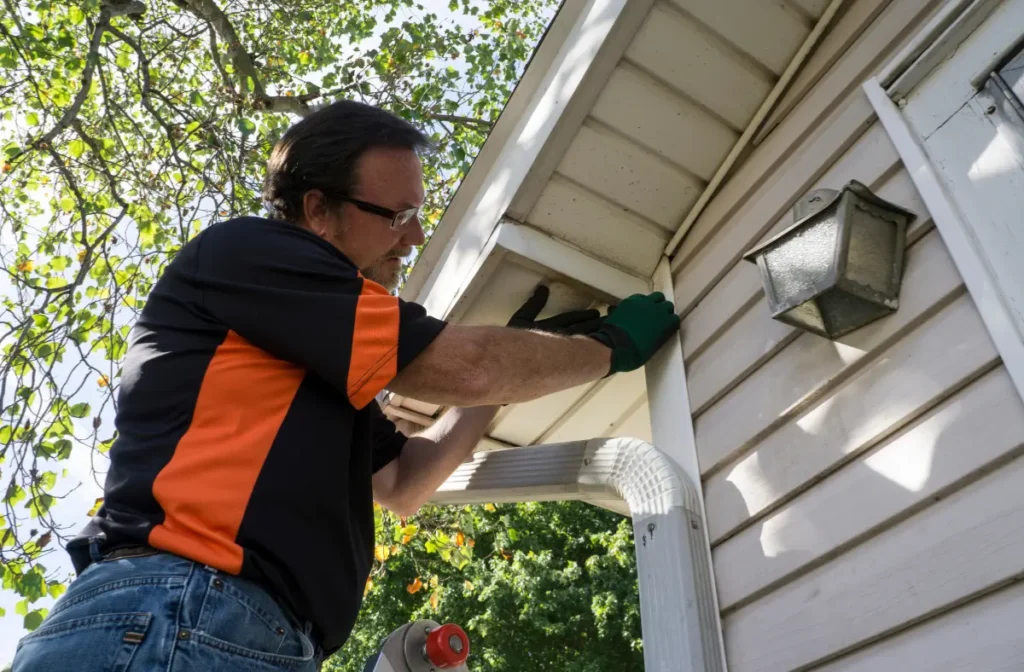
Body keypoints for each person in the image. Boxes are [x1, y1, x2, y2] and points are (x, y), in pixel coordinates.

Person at [11, 101, 680, 671]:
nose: (415, 235)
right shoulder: (248, 255)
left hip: (216, 626)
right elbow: (467, 365)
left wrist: (505, 385)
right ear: (317, 209)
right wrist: (607, 349)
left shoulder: (318, 369)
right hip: (180, 607)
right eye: (396, 215)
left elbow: (405, 481)